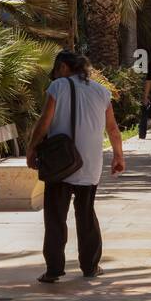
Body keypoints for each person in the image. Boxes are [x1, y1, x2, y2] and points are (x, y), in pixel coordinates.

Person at [27, 51, 124, 283]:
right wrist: (118, 156)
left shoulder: (58, 87)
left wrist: (31, 148)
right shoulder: (101, 91)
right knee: (86, 215)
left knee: (55, 217)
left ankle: (54, 269)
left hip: (61, 164)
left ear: (62, 67)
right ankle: (90, 266)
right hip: (89, 164)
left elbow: (44, 122)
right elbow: (112, 128)